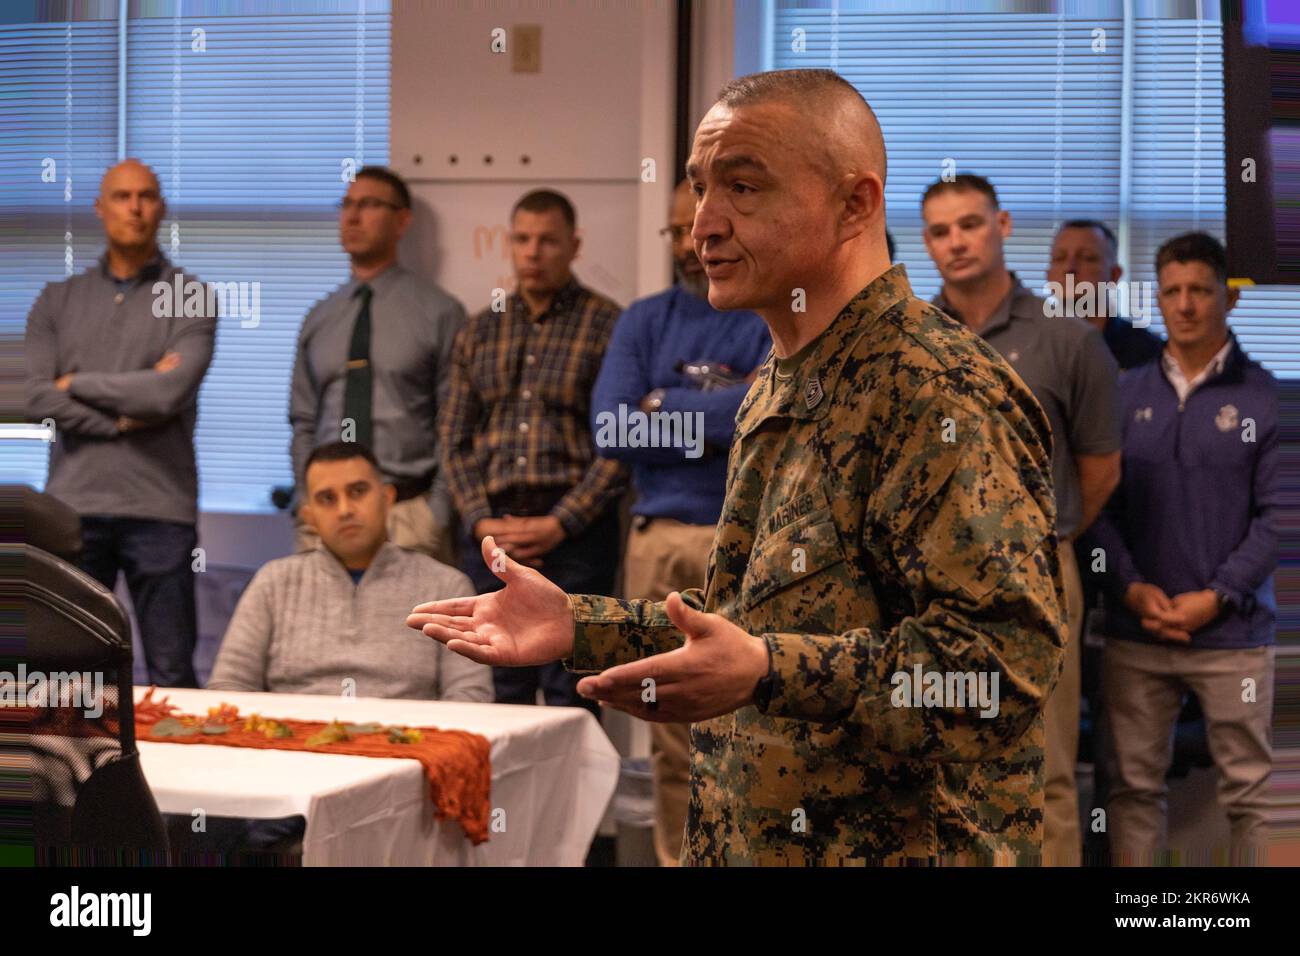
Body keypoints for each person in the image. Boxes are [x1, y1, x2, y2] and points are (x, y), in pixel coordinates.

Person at [412, 69, 1065, 865]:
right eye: (699, 188)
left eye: (744, 187)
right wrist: (580, 626)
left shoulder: (938, 390)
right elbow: (749, 633)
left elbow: (999, 676)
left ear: (856, 203)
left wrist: (766, 670)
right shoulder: (781, 380)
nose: (704, 225)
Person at [922, 173, 1122, 866]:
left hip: (1040, 574)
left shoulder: (1067, 339)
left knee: (1049, 768)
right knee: (938, 765)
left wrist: (1040, 539)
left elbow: (1100, 468)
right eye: (941, 231)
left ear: (1003, 226)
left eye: (970, 224)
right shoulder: (908, 338)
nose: (957, 242)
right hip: (930, 586)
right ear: (927, 244)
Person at [590, 179, 770, 866]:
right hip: (657, 539)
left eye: (701, 227)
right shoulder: (641, 319)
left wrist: (662, 406)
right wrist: (716, 417)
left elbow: (759, 417)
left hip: (745, 540)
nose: (692, 244)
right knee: (667, 729)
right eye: (676, 232)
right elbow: (610, 428)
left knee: (750, 724)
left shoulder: (766, 314)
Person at [1087, 232, 1279, 866]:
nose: (1186, 304)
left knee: (1252, 797)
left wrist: (1216, 596)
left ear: (1228, 298)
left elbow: (1278, 518)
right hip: (1136, 631)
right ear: (1158, 299)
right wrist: (1133, 588)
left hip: (1233, 638)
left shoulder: (1266, 397)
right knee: (1132, 792)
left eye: (1200, 290)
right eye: (1172, 291)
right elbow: (1098, 507)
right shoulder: (1123, 392)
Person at [24, 159, 215, 687]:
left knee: (171, 671)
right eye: (122, 196)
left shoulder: (191, 295)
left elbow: (169, 391)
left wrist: (76, 381)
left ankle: (181, 773)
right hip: (73, 509)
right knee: (67, 674)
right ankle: (73, 773)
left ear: (162, 208)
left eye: (147, 196)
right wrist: (126, 419)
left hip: (161, 508)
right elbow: (35, 395)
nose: (135, 207)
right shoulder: (55, 299)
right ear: (99, 208)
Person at [209, 441, 491, 702]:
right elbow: (229, 687)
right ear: (310, 517)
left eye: (358, 491)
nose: (345, 510)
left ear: (387, 498)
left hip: (410, 748)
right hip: (292, 747)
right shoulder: (273, 582)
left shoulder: (446, 587)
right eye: (327, 499)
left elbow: (470, 696)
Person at [290, 166, 467, 565]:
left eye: (369, 205)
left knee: (415, 629)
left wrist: (435, 514)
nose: (352, 217)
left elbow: (455, 425)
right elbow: (302, 421)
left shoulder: (439, 313)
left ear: (402, 220)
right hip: (326, 519)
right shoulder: (320, 317)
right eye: (347, 205)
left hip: (407, 514)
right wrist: (306, 499)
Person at [1047, 219, 1164, 370]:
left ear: (1114, 275)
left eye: (1087, 258)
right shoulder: (1028, 345)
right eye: (1060, 258)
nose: (1070, 268)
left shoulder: (1149, 353)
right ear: (1048, 275)